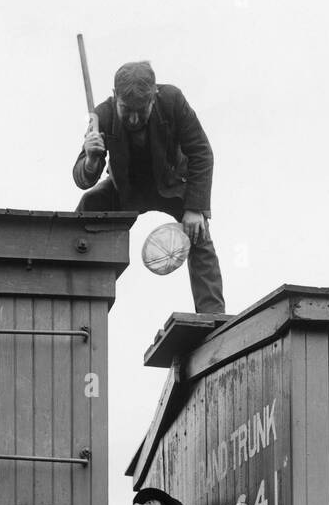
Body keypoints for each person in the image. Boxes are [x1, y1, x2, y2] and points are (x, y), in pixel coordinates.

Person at [73, 60, 226, 315]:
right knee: (91, 204)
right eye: (126, 109)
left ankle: (212, 316)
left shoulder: (173, 100)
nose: (133, 119)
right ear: (115, 97)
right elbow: (82, 179)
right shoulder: (102, 115)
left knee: (199, 231)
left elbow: (201, 152)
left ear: (154, 97)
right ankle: (81, 303)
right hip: (127, 191)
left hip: (171, 185)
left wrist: (196, 208)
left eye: (141, 110)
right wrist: (90, 158)